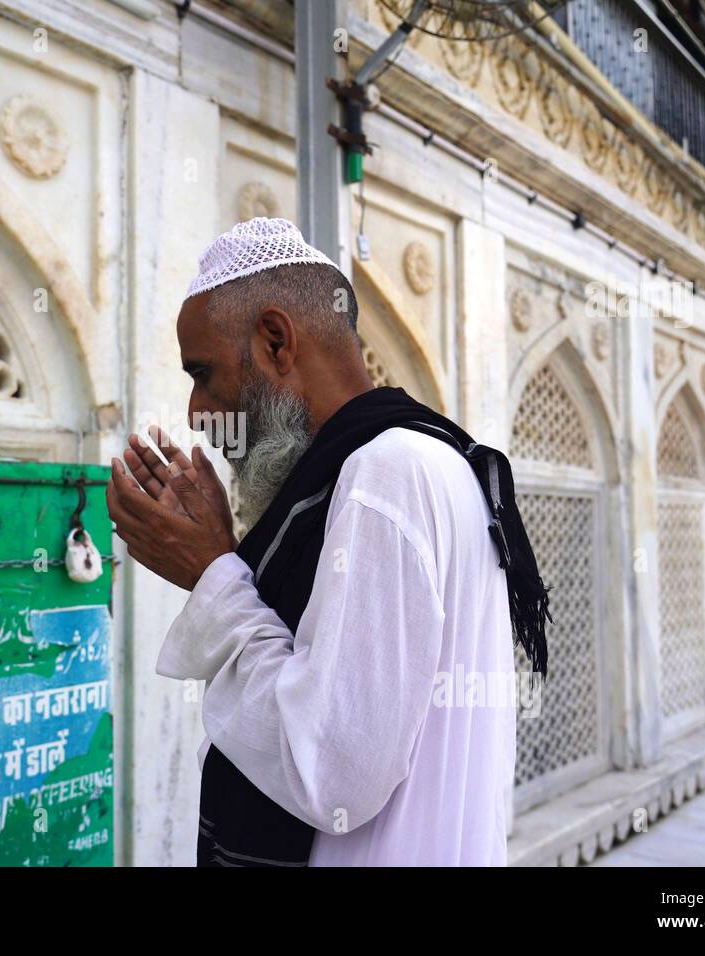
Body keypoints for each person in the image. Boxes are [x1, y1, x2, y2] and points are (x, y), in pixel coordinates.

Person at [106, 217, 550, 866]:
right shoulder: (423, 458)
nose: (198, 413)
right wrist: (225, 558)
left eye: (203, 373)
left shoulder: (384, 475)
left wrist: (213, 574)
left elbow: (333, 771)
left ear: (276, 341)